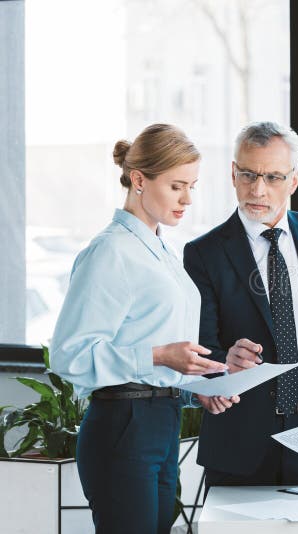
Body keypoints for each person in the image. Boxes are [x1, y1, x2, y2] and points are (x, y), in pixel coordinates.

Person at [50, 124, 240, 534]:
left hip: (161, 421)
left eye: (192, 186)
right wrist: (158, 356)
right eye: (176, 186)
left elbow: (150, 347)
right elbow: (69, 355)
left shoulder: (160, 251)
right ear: (139, 180)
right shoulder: (110, 252)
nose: (188, 199)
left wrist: (199, 390)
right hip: (123, 426)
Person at [183, 121, 298, 491]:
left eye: (273, 177)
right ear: (233, 174)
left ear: (293, 181)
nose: (258, 189)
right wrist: (224, 362)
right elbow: (198, 348)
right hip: (239, 440)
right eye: (248, 174)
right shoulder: (203, 253)